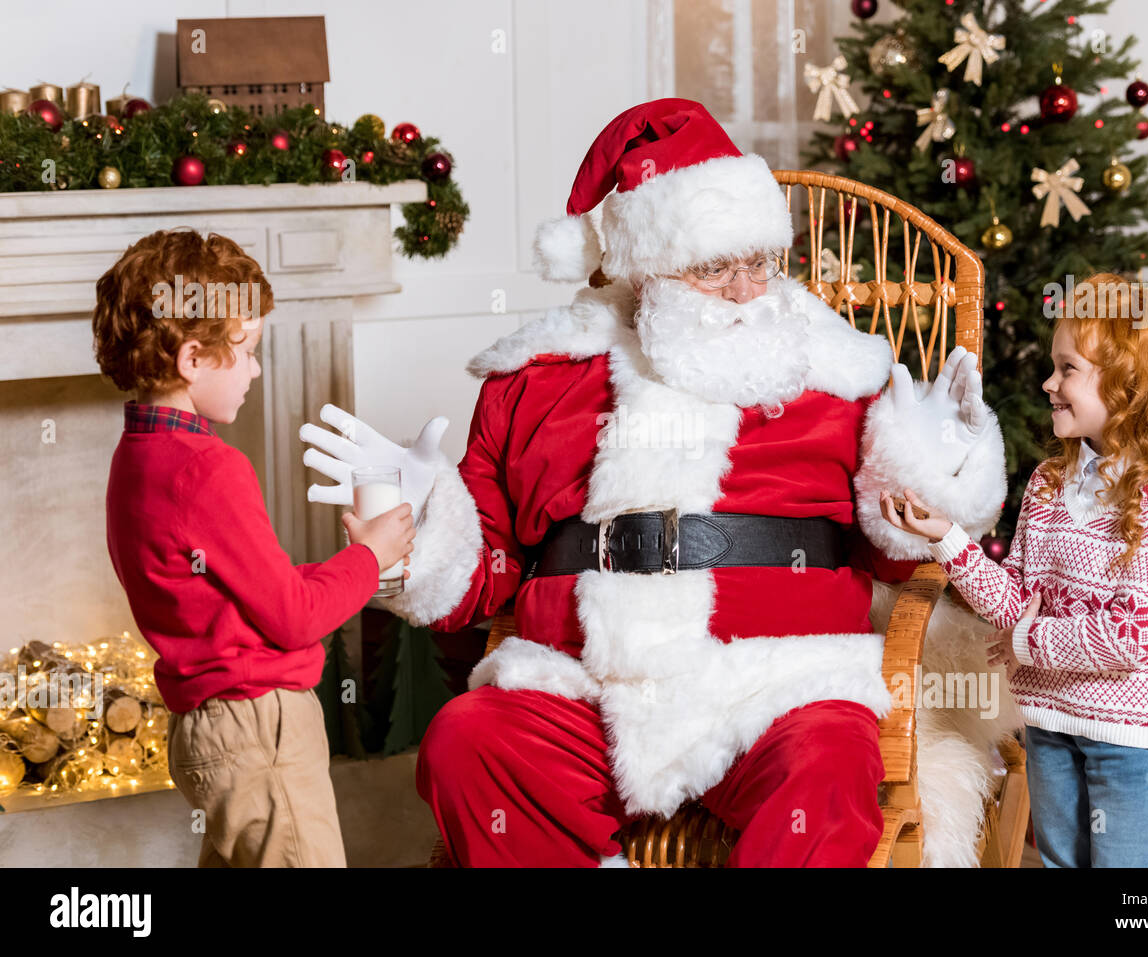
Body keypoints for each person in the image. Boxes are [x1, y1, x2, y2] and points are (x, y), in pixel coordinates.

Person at [300, 98, 1012, 866]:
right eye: (713, 267)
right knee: (467, 740)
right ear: (645, 270)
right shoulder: (537, 381)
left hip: (780, 683)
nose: (746, 289)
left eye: (759, 261)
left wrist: (936, 474)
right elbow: (487, 570)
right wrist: (418, 525)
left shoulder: (841, 373)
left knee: (827, 771)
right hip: (582, 685)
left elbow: (902, 561)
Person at [883, 273, 1148, 868]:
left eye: (1067, 369)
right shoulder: (1048, 485)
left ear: (1129, 386)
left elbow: (1133, 634)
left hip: (1126, 734)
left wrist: (1028, 640)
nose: (1048, 383)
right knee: (1058, 863)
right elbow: (1014, 600)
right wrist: (947, 537)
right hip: (1049, 720)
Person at [95, 229, 415, 867]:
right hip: (259, 730)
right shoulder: (209, 468)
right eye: (246, 351)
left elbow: (237, 591)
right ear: (193, 358)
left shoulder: (136, 461)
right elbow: (293, 617)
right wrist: (370, 557)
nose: (257, 370)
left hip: (205, 733)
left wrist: (333, 569)